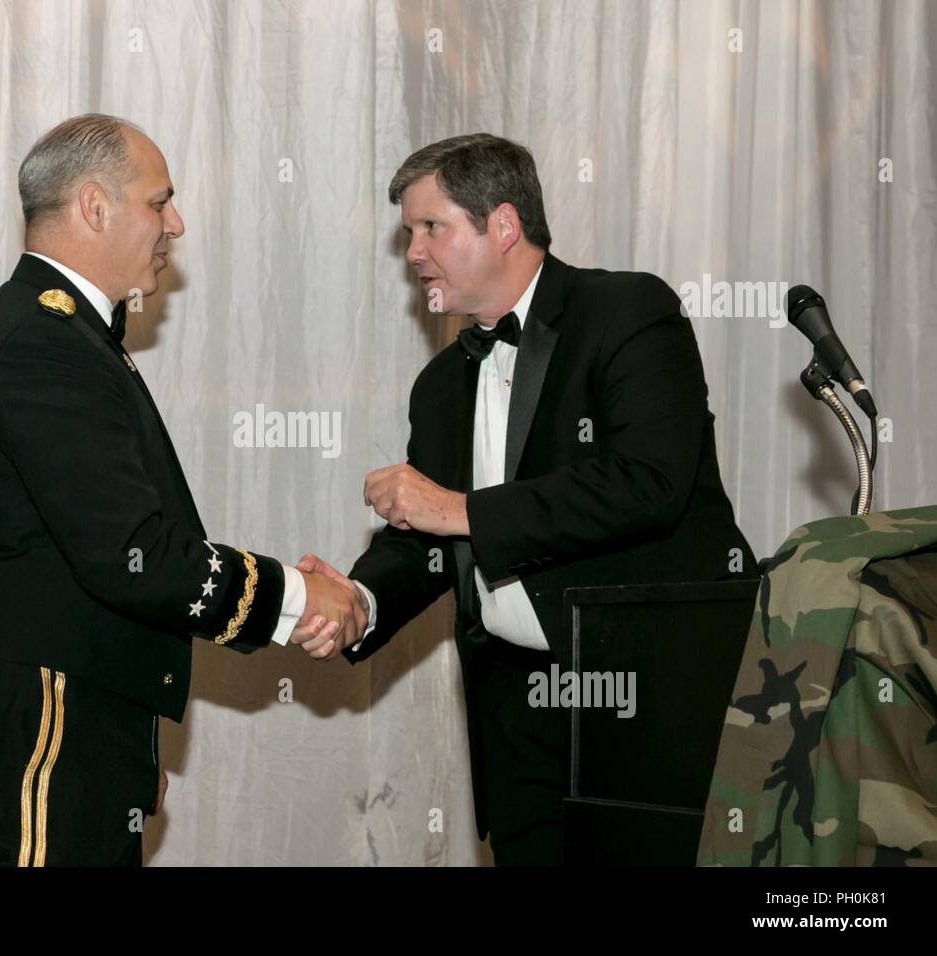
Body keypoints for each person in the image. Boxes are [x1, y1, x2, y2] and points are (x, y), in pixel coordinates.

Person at [294, 133, 757, 865]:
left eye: (430, 228)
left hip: (647, 699)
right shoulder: (441, 383)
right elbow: (424, 545)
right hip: (515, 717)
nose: (412, 252)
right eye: (408, 233)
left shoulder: (629, 309)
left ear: (502, 224)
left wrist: (458, 509)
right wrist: (357, 601)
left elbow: (649, 483)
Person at [0, 114, 365, 866]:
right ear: (94, 207)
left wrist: (124, 729)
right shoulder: (43, 341)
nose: (176, 223)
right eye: (159, 201)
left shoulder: (67, 336)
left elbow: (102, 562)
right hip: (48, 724)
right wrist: (297, 601)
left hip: (79, 717)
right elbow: (133, 553)